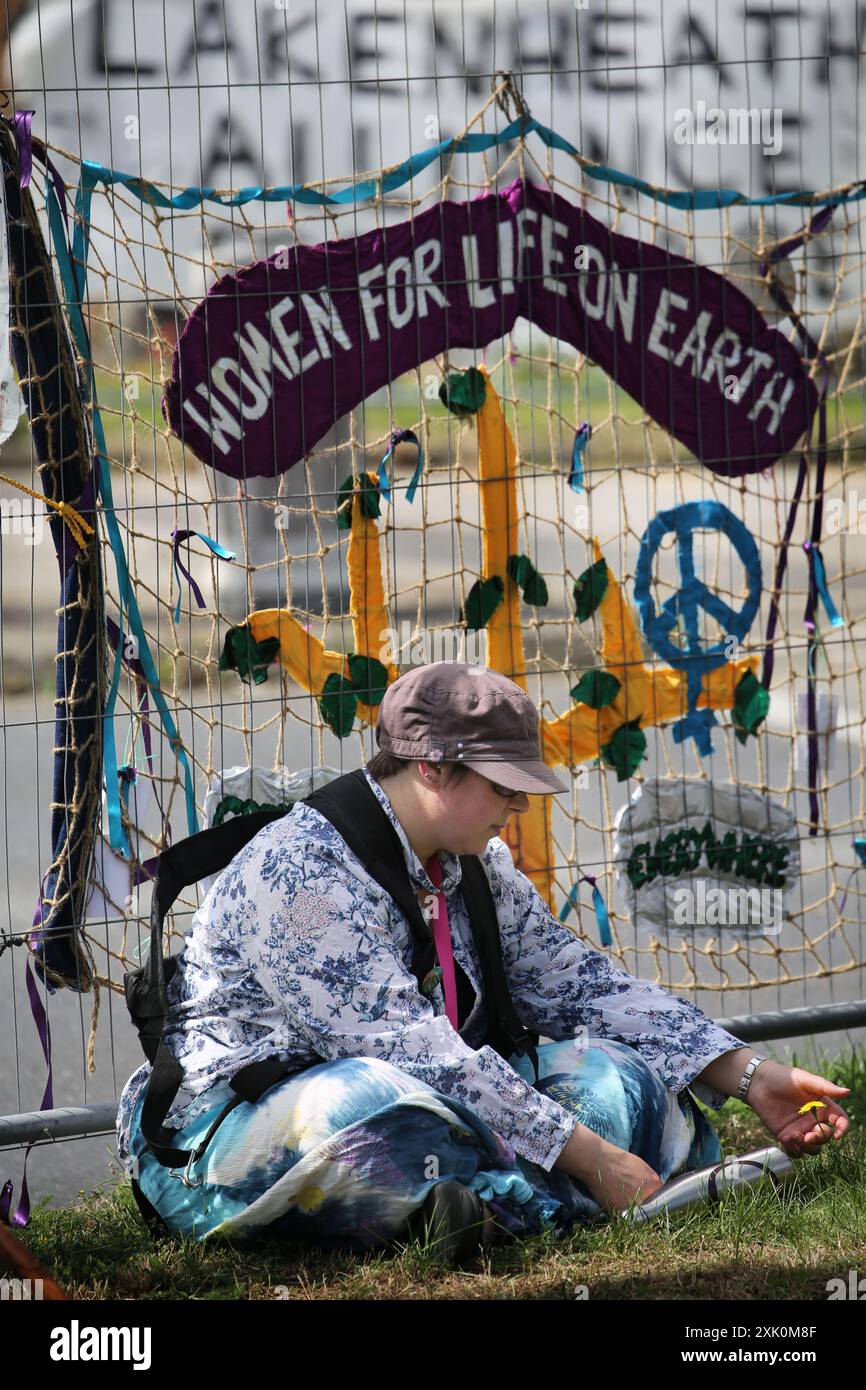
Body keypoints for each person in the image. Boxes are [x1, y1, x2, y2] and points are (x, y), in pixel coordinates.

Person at [115, 662, 850, 1260]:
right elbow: (410, 1053)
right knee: (374, 1102)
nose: (520, 807)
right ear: (433, 769)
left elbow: (581, 984)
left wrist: (752, 1075)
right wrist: (589, 1155)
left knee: (618, 1077)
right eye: (505, 788)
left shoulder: (472, 859)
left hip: (426, 1095)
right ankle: (547, 1196)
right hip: (227, 1131)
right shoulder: (299, 873)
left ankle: (471, 1206)